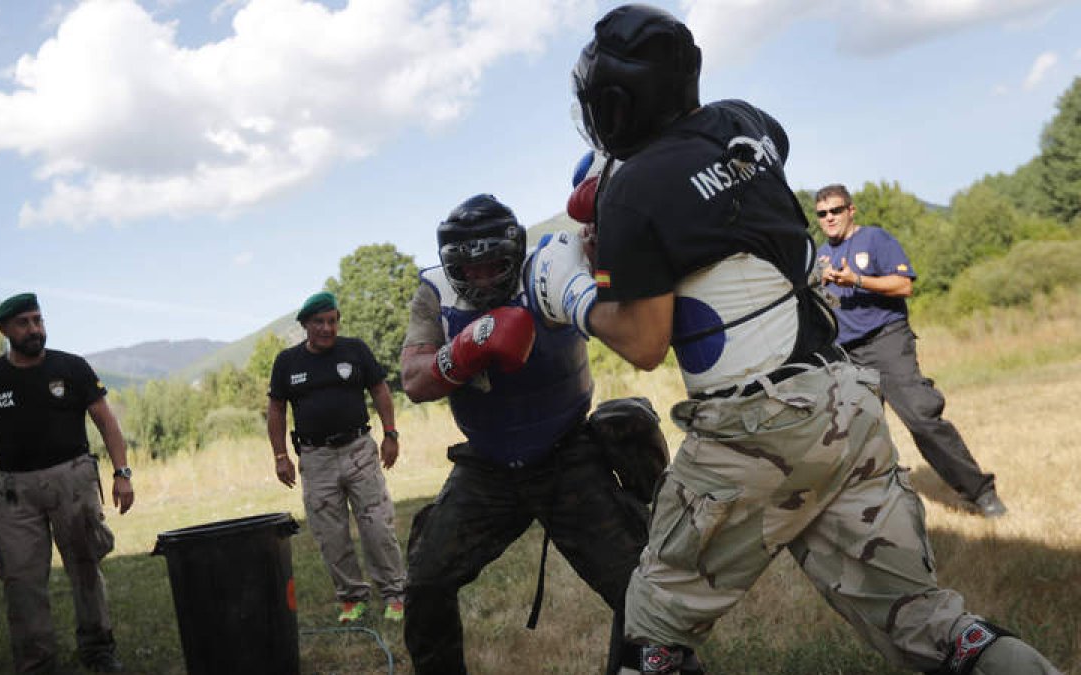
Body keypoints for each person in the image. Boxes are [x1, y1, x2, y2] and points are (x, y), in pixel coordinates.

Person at [529, 5, 1062, 674]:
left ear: (612, 103)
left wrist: (573, 293)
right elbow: (715, 203)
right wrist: (629, 230)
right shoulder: (743, 121)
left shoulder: (633, 190)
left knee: (649, 636)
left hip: (757, 424)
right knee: (927, 622)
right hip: (846, 401)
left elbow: (643, 340)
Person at [398, 194, 647, 675]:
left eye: (493, 265)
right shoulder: (434, 291)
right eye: (469, 270)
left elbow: (620, 306)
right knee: (426, 581)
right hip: (486, 466)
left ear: (513, 255)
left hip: (567, 453)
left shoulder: (550, 270)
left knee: (641, 589)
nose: (483, 277)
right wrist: (464, 351)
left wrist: (605, 259)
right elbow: (414, 379)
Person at [0, 292, 134, 674]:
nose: (34, 329)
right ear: (4, 329)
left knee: (85, 566)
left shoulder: (72, 367)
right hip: (15, 492)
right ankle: (36, 662)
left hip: (72, 480)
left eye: (38, 320)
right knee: (20, 579)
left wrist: (122, 474)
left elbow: (106, 421)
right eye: (24, 323)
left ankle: (98, 649)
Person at [815, 184, 1006, 517]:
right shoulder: (820, 256)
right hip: (846, 353)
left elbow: (904, 286)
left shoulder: (875, 239)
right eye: (822, 214)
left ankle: (980, 492)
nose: (829, 218)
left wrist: (856, 280)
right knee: (857, 435)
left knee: (921, 417)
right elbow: (829, 303)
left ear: (850, 210)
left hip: (886, 341)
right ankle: (879, 510)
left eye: (835, 210)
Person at [267, 291, 406, 623]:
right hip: (316, 459)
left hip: (359, 451)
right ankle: (352, 599)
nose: (327, 328)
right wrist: (280, 456)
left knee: (376, 525)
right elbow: (276, 409)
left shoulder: (354, 349)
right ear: (305, 325)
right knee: (330, 533)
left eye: (332, 321)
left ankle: (395, 595)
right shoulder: (287, 362)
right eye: (320, 322)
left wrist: (390, 434)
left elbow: (380, 390)